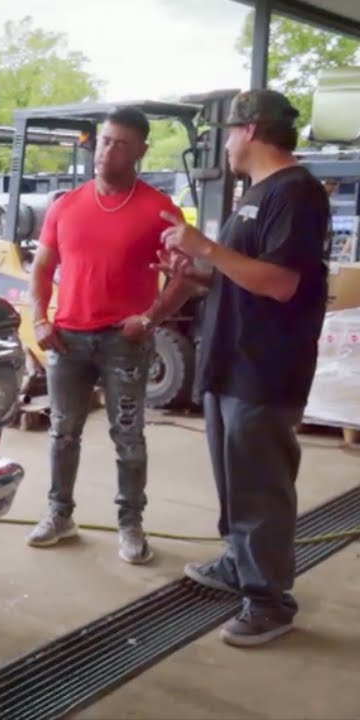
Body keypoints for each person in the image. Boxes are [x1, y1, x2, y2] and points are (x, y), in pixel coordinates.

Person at [158, 89, 331, 647]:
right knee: (235, 483)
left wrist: (206, 247)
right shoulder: (256, 194)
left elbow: (282, 284)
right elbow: (246, 276)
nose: (226, 144)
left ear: (250, 130)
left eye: (229, 133)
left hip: (265, 368)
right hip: (229, 361)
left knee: (260, 488)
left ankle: (269, 599)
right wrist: (195, 272)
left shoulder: (295, 193)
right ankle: (239, 564)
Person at [26, 107, 195, 564]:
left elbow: (187, 277)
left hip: (125, 341)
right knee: (63, 433)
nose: (107, 151)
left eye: (121, 143)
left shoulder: (159, 210)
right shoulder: (65, 205)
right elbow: (42, 268)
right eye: (104, 140)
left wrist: (152, 316)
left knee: (128, 435)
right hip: (67, 339)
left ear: (140, 149)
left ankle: (130, 525)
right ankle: (60, 515)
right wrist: (40, 319)